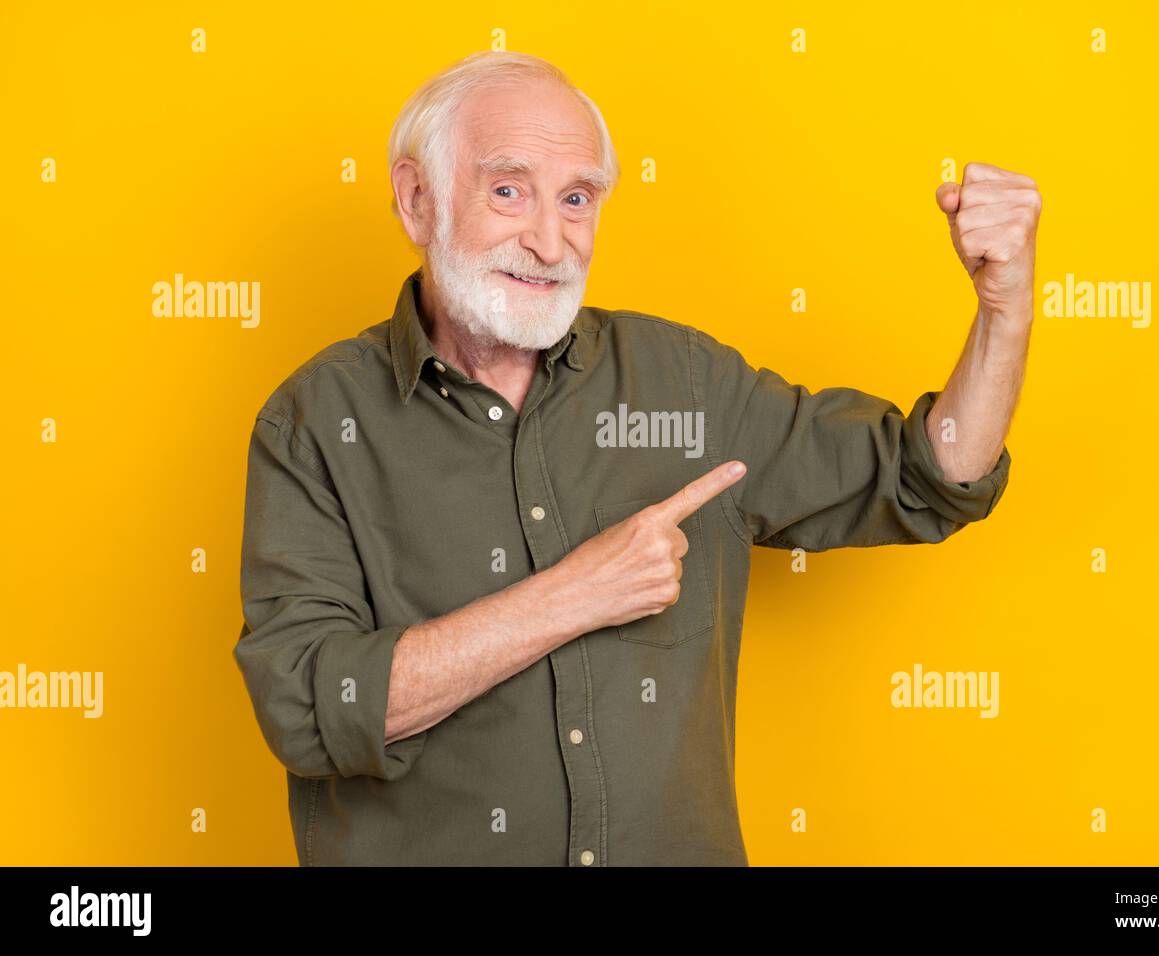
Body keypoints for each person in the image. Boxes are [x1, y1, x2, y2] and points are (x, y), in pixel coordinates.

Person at [234, 50, 1037, 866]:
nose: (550, 241)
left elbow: (928, 477)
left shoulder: (685, 386)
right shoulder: (316, 421)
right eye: (508, 190)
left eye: (576, 199)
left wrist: (1003, 311)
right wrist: (573, 595)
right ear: (417, 200)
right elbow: (309, 705)